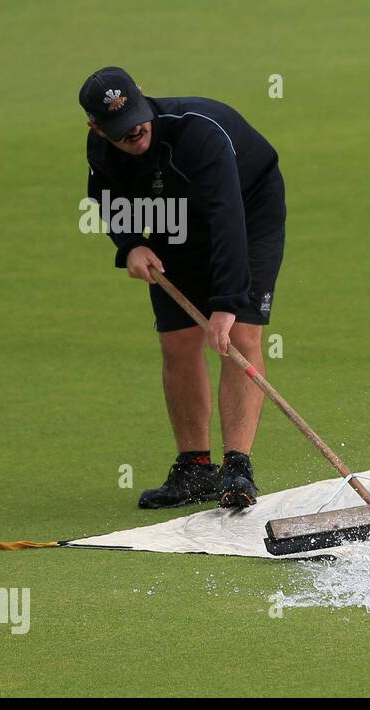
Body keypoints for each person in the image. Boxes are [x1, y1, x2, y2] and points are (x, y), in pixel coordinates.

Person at [80, 66, 287, 509]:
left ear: (143, 94)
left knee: (240, 335)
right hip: (175, 220)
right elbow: (105, 194)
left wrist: (228, 304)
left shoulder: (199, 133)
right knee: (177, 341)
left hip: (248, 212)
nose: (134, 130)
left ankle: (238, 468)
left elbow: (227, 218)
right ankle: (195, 469)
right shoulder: (101, 148)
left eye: (136, 116)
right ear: (96, 128)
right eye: (118, 128)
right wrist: (130, 244)